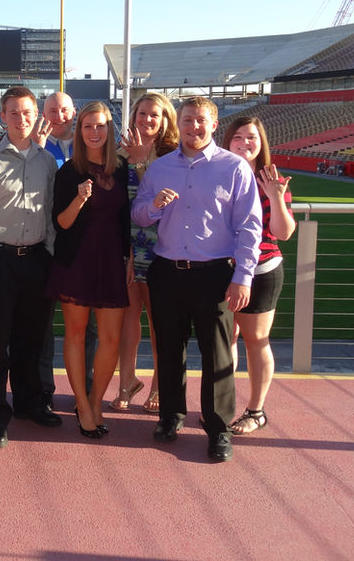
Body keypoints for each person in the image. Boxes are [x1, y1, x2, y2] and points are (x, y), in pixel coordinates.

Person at [131, 96, 262, 462]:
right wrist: (154, 205)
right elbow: (139, 215)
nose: (193, 127)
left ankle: (218, 428)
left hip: (214, 273)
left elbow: (250, 226)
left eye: (200, 121)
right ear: (181, 122)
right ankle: (170, 416)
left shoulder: (234, 168)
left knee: (217, 355)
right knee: (169, 350)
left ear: (214, 124)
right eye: (187, 120)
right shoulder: (159, 168)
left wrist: (243, 277)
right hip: (167, 271)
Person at [0, 86, 60, 449]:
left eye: (27, 112)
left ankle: (29, 404)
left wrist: (48, 252)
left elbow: (51, 213)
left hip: (35, 258)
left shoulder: (47, 162)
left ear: (36, 115)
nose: (21, 119)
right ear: (2, 116)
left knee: (31, 338)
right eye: (14, 113)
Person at [47, 102, 131, 439]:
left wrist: (128, 259)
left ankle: (96, 401)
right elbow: (62, 223)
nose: (94, 133)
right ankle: (81, 404)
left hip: (111, 262)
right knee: (77, 335)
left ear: (109, 129)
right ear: (79, 132)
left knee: (111, 338)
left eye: (100, 126)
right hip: (76, 261)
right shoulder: (68, 172)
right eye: (87, 127)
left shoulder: (122, 168)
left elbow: (127, 219)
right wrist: (80, 200)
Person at [223, 116, 295, 435]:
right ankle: (222, 406)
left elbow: (283, 232)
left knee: (256, 341)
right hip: (220, 271)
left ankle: (255, 411)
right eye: (238, 137)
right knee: (226, 341)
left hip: (261, 271)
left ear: (261, 141)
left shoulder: (270, 178)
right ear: (227, 141)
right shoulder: (217, 172)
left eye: (251, 137)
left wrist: (276, 196)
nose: (245, 143)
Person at [110, 92, 179, 413]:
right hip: (129, 249)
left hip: (163, 250)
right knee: (128, 321)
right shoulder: (119, 154)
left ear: (166, 119)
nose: (147, 120)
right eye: (141, 114)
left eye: (154, 115)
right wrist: (124, 250)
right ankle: (126, 381)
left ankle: (157, 385)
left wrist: (140, 162)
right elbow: (117, 207)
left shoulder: (176, 156)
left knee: (158, 323)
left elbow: (158, 201)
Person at [30, 91, 79, 406]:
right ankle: (43, 388)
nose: (58, 115)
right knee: (41, 323)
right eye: (52, 110)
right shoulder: (34, 144)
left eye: (63, 109)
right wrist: (34, 149)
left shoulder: (91, 141)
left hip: (82, 246)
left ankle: (85, 388)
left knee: (83, 324)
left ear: (74, 111)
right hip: (46, 244)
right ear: (42, 113)